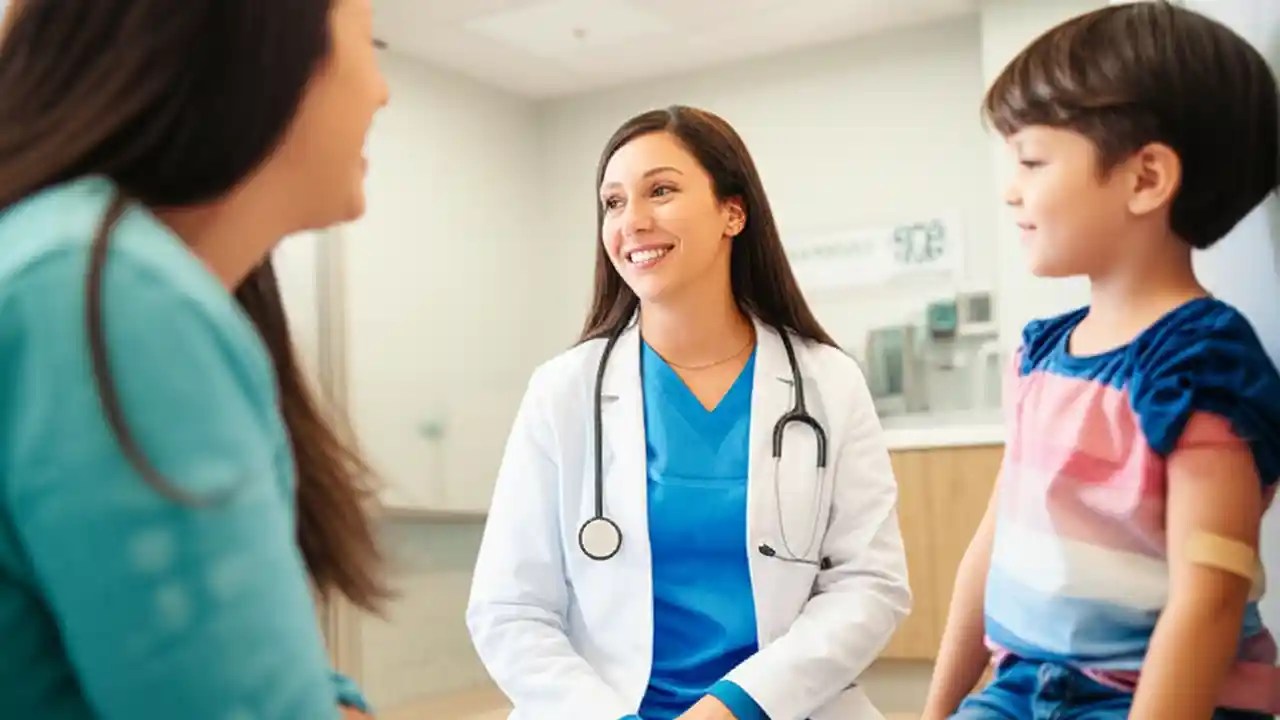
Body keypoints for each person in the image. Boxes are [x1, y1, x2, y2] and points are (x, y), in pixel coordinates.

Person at [0, 0, 390, 718]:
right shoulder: (106, 297)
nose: (380, 90)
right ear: (260, 39)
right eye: (370, 42)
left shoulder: (77, 271)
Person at [467, 105, 911, 720]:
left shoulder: (827, 383)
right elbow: (509, 608)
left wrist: (735, 707)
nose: (633, 221)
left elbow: (869, 584)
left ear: (734, 211)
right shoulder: (563, 391)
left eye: (662, 191)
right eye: (614, 202)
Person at [921, 3, 1280, 719]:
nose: (1010, 188)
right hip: (1025, 687)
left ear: (1146, 178)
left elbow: (1207, 600)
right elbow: (989, 548)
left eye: (1031, 160)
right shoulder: (1041, 354)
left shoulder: (1198, 362)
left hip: (1152, 695)